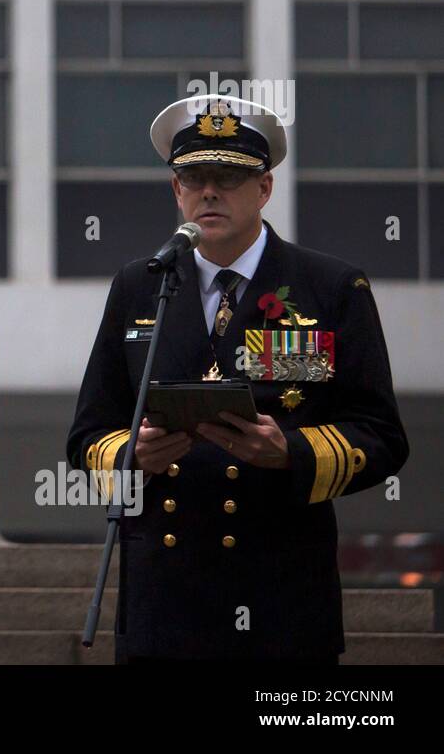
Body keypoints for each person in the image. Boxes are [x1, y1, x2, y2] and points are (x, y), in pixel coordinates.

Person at [65, 93, 410, 663]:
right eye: (193, 177)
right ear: (176, 190)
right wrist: (135, 452)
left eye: (228, 176)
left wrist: (290, 451)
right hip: (164, 600)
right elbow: (86, 436)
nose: (209, 192)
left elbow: (382, 436)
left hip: (280, 592)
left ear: (265, 188)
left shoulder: (331, 287)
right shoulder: (140, 286)